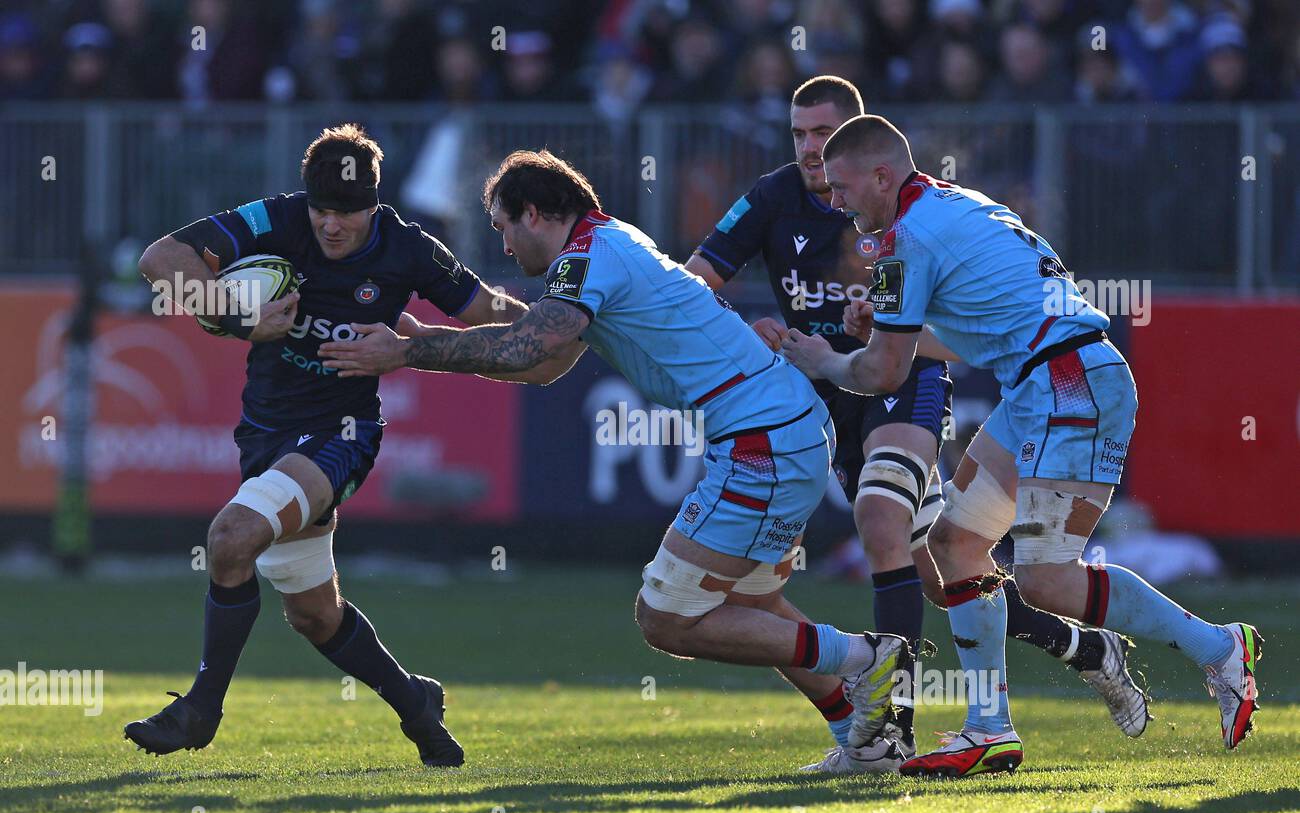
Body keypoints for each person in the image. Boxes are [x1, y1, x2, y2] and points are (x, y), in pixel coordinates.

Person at [320, 149, 913, 763]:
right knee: (748, 604)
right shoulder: (605, 244)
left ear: (532, 213)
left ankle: (864, 657)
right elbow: (547, 362)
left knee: (666, 616)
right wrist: (422, 341)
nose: (503, 246)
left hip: (763, 440)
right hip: (782, 430)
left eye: (501, 227)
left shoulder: (588, 258)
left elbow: (528, 347)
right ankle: (866, 740)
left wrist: (409, 353)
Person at [687, 76, 1148, 772]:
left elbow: (907, 345)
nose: (810, 148)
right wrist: (739, 329)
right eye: (799, 133)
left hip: (902, 378)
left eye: (822, 133)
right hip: (839, 394)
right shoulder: (770, 198)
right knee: (942, 575)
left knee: (879, 518)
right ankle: (1084, 647)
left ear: (855, 138)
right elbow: (694, 285)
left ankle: (888, 732)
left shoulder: (897, 207)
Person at [781, 114, 1262, 777]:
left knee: (1044, 578)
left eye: (840, 187)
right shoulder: (952, 205)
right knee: (954, 542)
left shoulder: (902, 242)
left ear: (882, 176)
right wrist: (893, 331)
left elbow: (882, 373)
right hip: (1047, 379)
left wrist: (822, 359)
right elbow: (980, 335)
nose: (833, 201)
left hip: (1069, 383)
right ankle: (989, 729)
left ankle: (1218, 645)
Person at [125, 124, 561, 766]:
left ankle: (200, 709)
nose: (332, 226)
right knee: (314, 616)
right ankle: (415, 702)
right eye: (322, 210)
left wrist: (566, 321)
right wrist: (233, 312)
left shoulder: (409, 247)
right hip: (265, 435)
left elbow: (482, 309)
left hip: (340, 437)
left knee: (230, 538)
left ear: (374, 207)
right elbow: (159, 263)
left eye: (348, 214)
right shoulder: (275, 219)